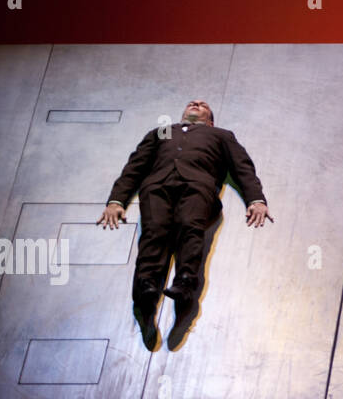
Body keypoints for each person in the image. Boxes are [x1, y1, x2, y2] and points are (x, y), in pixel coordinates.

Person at [96, 100, 271, 346]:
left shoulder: (221, 135)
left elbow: (243, 168)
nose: (196, 103)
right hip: (157, 187)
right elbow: (135, 167)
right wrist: (116, 200)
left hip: (198, 187)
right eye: (192, 103)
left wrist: (256, 199)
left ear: (210, 121)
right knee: (153, 233)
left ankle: (185, 284)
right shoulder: (162, 132)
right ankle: (146, 288)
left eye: (203, 105)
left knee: (191, 229)